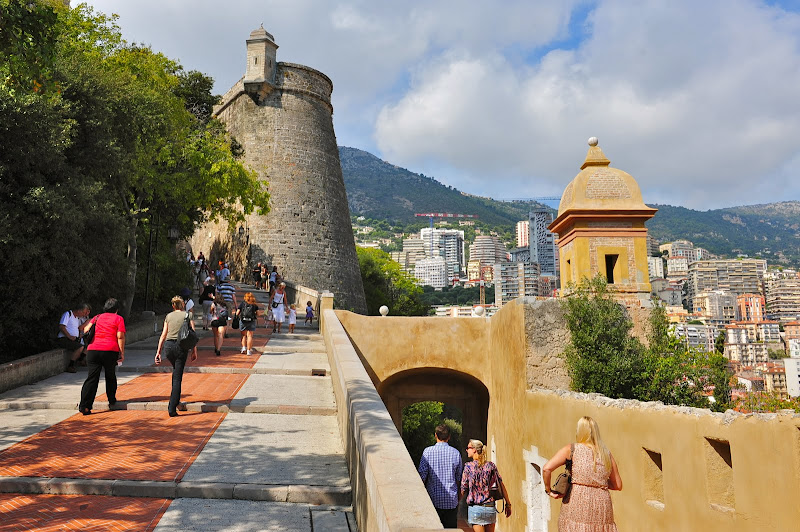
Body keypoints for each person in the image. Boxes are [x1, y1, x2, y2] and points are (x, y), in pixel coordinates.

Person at [543, 416, 622, 532]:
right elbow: (618, 485)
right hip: (602, 506)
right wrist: (597, 482)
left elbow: (546, 469)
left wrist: (548, 490)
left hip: (577, 502)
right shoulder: (606, 454)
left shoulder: (572, 449)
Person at [78, 298, 126, 415]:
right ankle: (111, 400)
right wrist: (122, 353)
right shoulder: (119, 319)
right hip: (110, 350)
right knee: (110, 375)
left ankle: (85, 405)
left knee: (92, 378)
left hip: (93, 350)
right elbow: (120, 336)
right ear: (117, 309)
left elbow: (86, 329)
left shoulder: (97, 317)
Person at [155, 296, 199, 417]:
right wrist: (194, 351)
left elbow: (163, 334)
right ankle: (172, 407)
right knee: (177, 378)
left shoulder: (168, 316)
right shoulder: (188, 315)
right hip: (181, 347)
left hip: (168, 347)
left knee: (176, 372)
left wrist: (158, 352)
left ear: (173, 306)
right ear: (183, 305)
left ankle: (176, 400)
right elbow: (193, 335)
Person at [460, 439, 512, 531]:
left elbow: (463, 488)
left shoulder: (468, 467)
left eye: (468, 448)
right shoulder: (491, 466)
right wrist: (508, 504)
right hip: (490, 508)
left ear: (475, 450)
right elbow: (501, 485)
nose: (466, 450)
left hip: (475, 509)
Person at [418, 424, 463, 528]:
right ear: (449, 437)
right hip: (451, 501)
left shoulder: (427, 452)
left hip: (433, 500)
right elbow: (459, 478)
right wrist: (458, 498)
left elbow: (422, 476)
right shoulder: (455, 453)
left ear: (435, 435)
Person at [58, 303, 90, 373]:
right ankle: (70, 365)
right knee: (80, 347)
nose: (84, 314)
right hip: (64, 338)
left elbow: (78, 328)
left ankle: (80, 360)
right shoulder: (68, 314)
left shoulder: (77, 319)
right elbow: (61, 326)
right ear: (79, 311)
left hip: (74, 339)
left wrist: (80, 335)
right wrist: (69, 336)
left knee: (88, 346)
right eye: (83, 312)